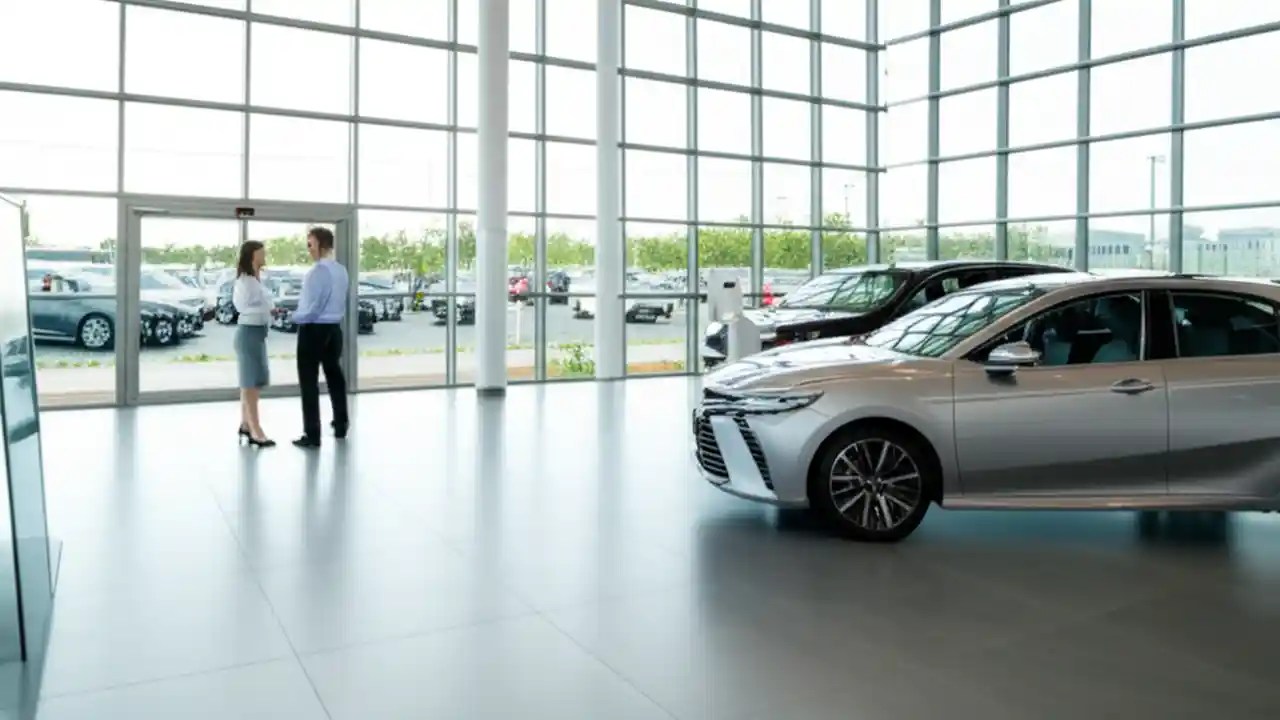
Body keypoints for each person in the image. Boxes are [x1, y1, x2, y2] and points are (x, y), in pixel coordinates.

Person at [291, 227, 349, 448]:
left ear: (321, 245)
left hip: (313, 329)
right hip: (334, 329)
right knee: (335, 376)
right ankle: (341, 423)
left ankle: (312, 434)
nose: (309, 250)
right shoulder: (341, 270)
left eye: (310, 245)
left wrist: (294, 317)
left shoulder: (318, 271)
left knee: (309, 381)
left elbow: (314, 307)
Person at [232, 240, 276, 448]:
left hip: (258, 333)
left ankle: (246, 424)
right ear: (252, 256)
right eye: (261, 253)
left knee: (254, 382)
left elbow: (262, 303)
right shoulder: (244, 281)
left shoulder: (257, 280)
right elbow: (243, 306)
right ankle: (257, 431)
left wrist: (269, 309)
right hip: (248, 333)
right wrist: (263, 307)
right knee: (250, 384)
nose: (264, 256)